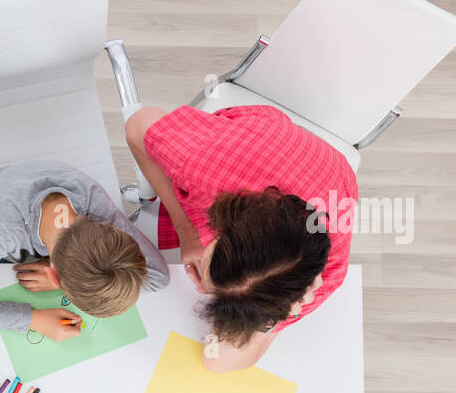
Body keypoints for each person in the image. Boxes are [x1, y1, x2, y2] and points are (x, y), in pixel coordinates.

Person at [125, 104, 356, 372]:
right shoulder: (207, 165)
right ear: (222, 229)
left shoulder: (327, 273)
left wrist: (268, 323)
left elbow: (218, 362)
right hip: (250, 138)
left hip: (326, 170)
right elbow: (138, 124)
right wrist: (185, 229)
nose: (203, 290)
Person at [0, 160, 168, 338]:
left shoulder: (102, 216)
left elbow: (160, 278)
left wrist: (59, 271)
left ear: (118, 233)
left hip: (45, 190)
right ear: (54, 278)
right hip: (4, 193)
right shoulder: (2, 231)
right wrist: (33, 319)